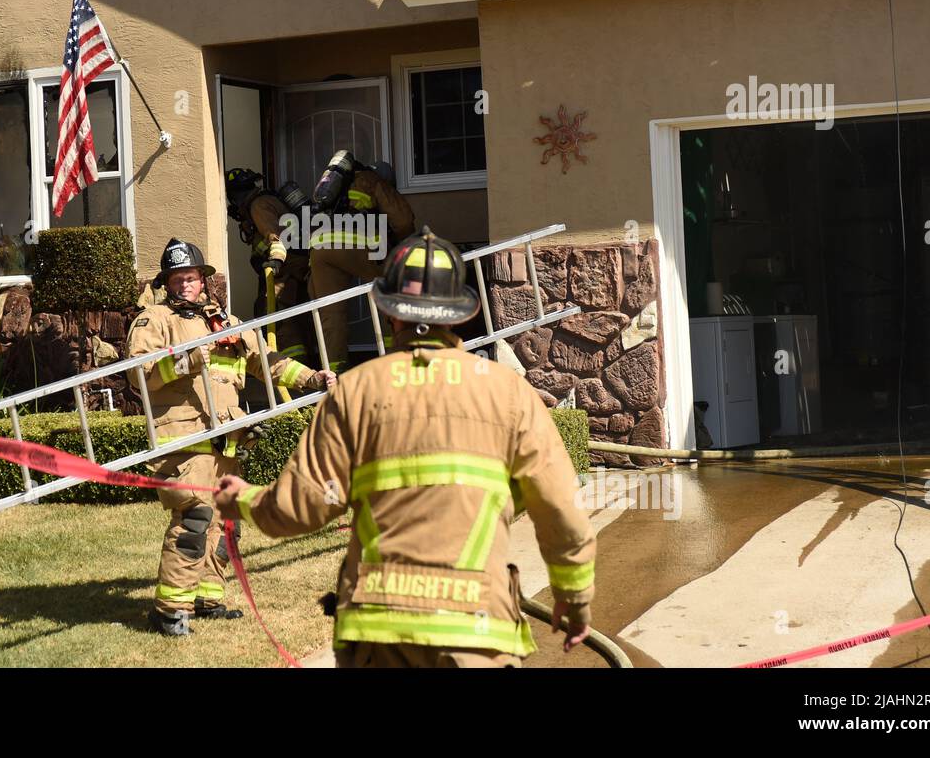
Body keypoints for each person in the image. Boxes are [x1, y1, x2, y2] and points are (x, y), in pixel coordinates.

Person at [216, 227, 595, 667]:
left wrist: (241, 499)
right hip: (476, 633)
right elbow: (562, 510)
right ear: (458, 315)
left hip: (379, 634)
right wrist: (575, 596)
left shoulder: (355, 392)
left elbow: (300, 509)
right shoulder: (508, 393)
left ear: (386, 309)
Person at [128, 237, 337, 636]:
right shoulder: (154, 319)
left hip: (227, 438)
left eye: (189, 277)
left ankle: (208, 598)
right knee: (194, 518)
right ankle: (169, 610)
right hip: (185, 440)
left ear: (202, 280)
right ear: (165, 283)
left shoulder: (225, 323)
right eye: (176, 279)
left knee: (225, 522)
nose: (183, 285)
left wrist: (313, 378)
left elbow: (268, 362)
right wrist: (189, 358)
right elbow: (140, 372)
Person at [306, 151, 415, 371]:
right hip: (360, 243)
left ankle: (333, 372)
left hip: (321, 249)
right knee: (389, 296)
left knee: (331, 313)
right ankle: (395, 361)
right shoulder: (375, 181)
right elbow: (402, 220)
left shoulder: (338, 185)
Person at [224, 167, 315, 364]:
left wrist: (274, 260)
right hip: (297, 263)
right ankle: (307, 361)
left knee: (276, 312)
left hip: (285, 265)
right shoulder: (264, 200)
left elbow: (274, 236)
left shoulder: (258, 205)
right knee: (297, 312)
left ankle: (292, 363)